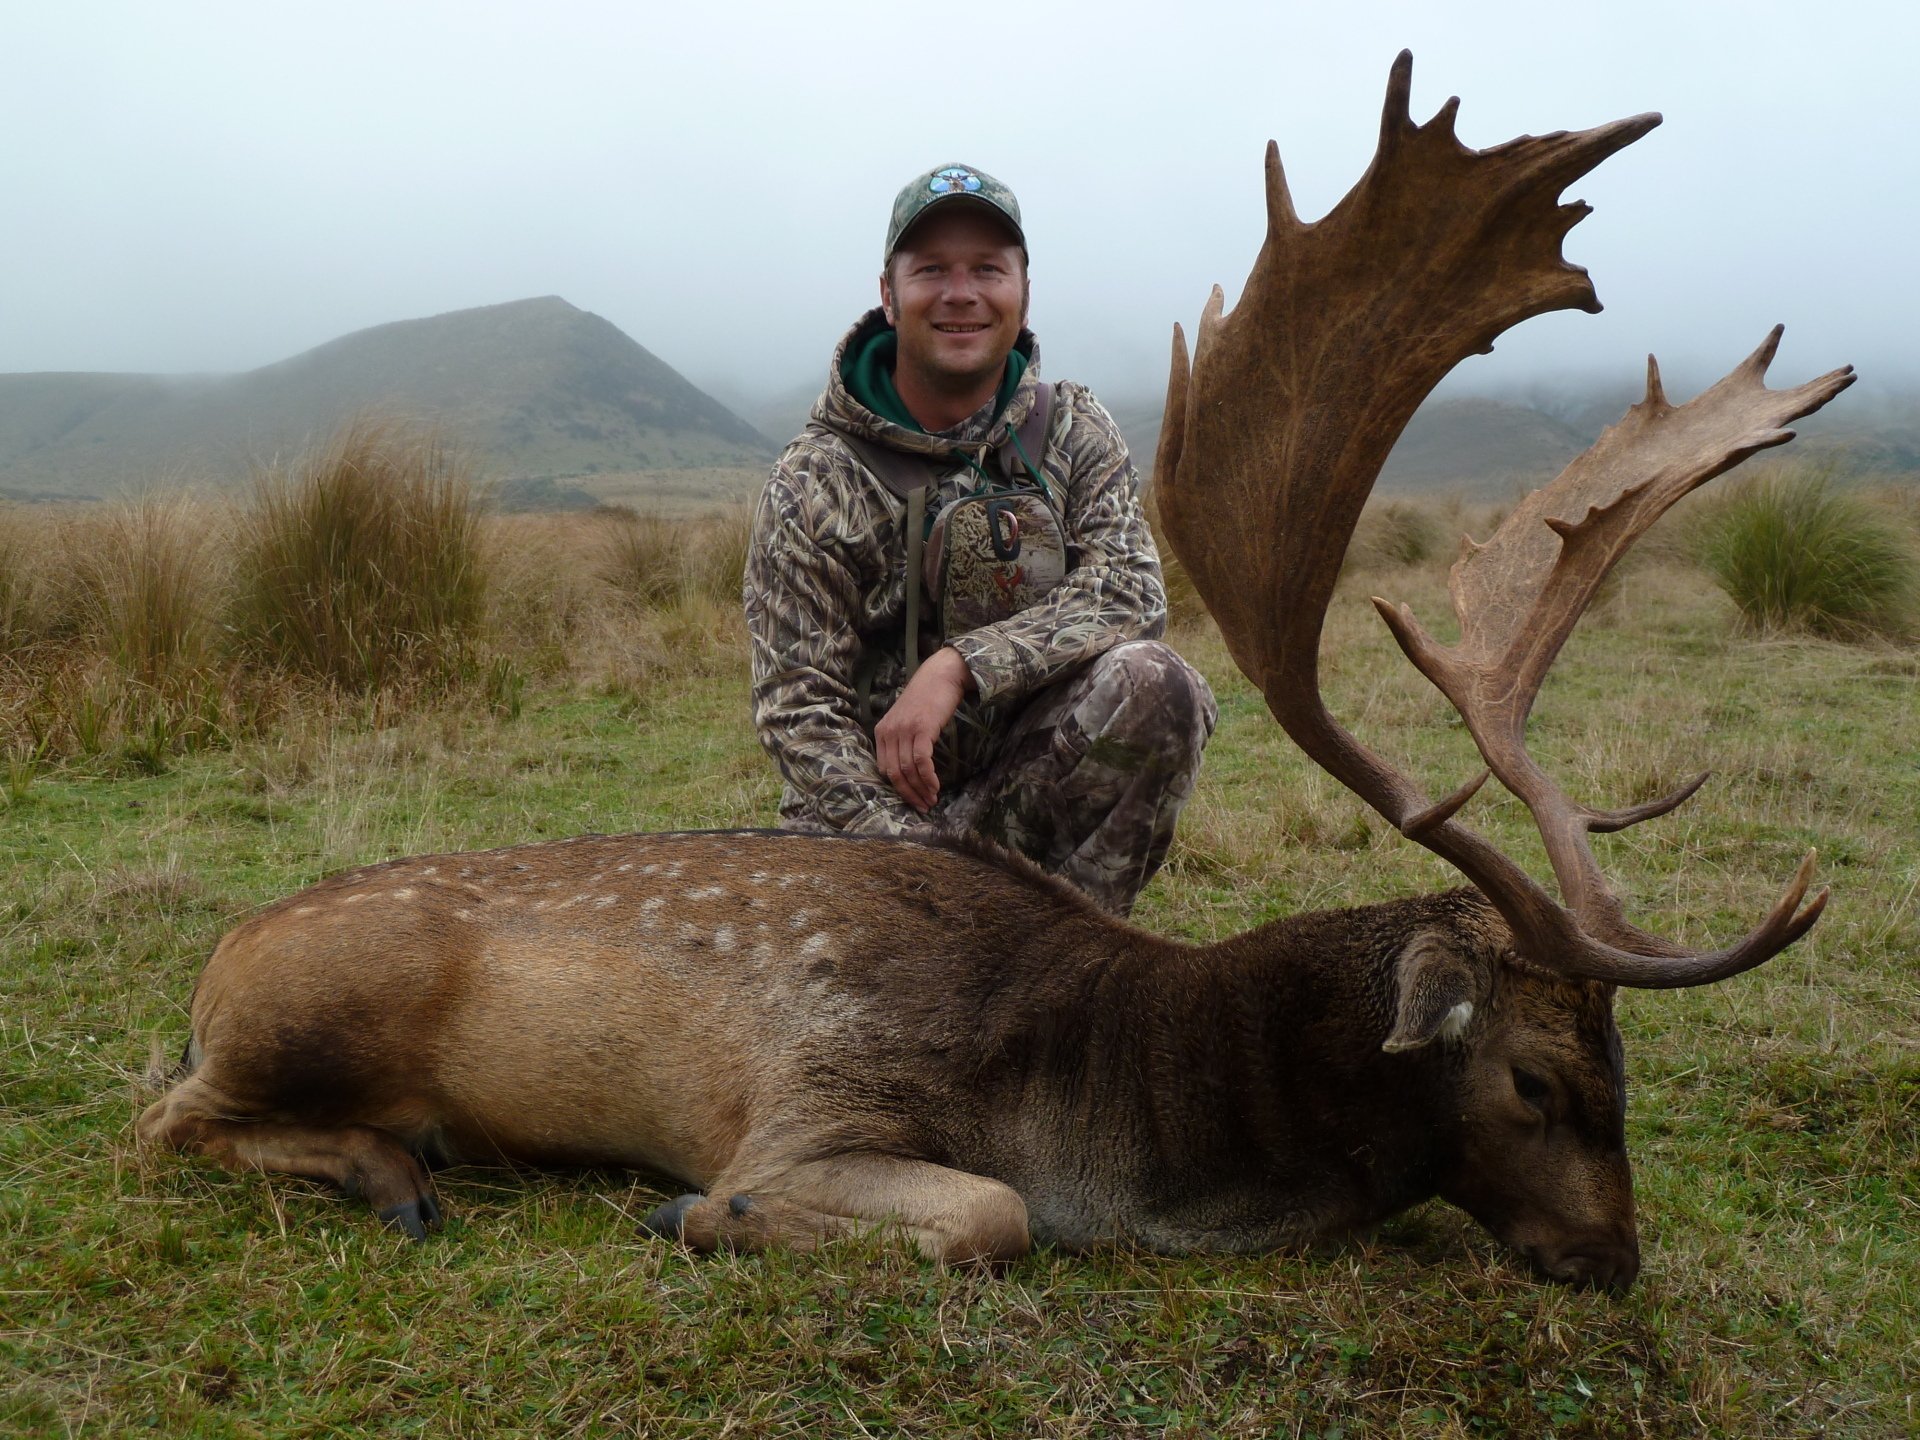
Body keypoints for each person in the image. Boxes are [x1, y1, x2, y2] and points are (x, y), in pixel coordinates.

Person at [743, 162, 1214, 916]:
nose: (960, 293)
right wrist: (923, 871)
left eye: (988, 270)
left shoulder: (1073, 428)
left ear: (1023, 292)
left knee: (1159, 684)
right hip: (867, 838)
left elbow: (1131, 590)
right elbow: (798, 705)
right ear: (889, 295)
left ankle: (1072, 955)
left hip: (1030, 800)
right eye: (931, 269)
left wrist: (960, 666)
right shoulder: (813, 478)